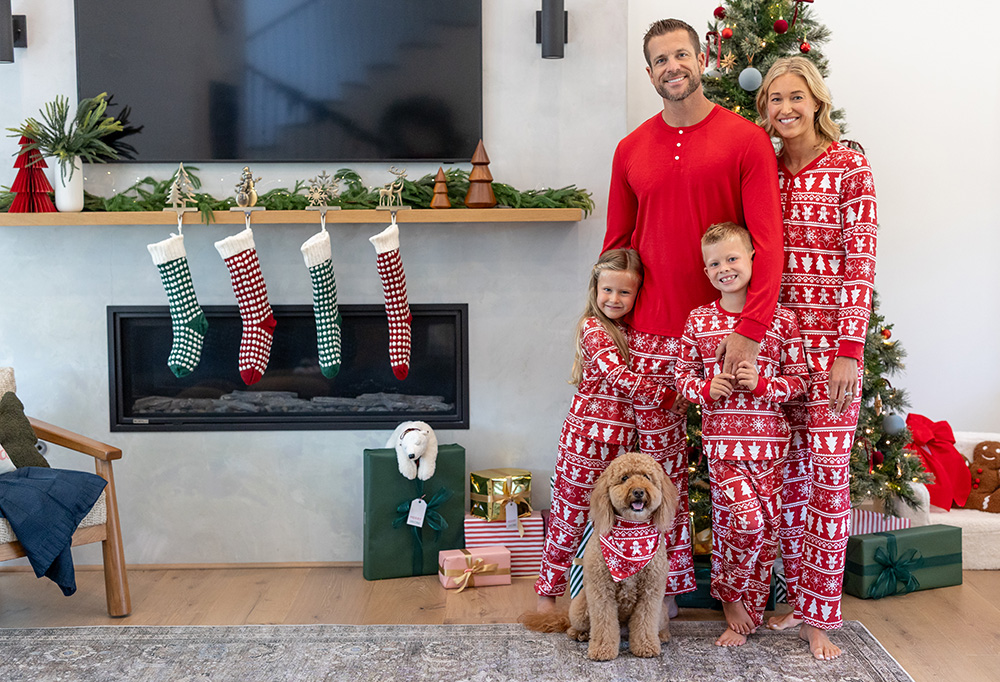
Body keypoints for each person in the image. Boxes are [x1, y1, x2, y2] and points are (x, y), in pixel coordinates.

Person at [604, 18, 784, 610]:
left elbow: (769, 242)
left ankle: (739, 595)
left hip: (724, 334)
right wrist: (605, 328)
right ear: (648, 71)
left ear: (701, 58)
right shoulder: (630, 149)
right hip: (652, 334)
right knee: (658, 476)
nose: (671, 67)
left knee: (739, 477)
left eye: (681, 54)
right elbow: (617, 246)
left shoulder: (745, 140)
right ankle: (666, 590)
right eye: (659, 59)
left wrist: (751, 331)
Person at [755, 56, 878, 661]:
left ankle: (820, 618)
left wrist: (849, 352)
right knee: (786, 485)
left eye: (796, 96)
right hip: (778, 347)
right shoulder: (766, 169)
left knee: (828, 485)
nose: (786, 108)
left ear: (817, 100)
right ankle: (795, 601)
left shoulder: (849, 162)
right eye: (775, 99)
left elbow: (862, 262)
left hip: (833, 351)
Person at [675, 222, 808, 647]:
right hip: (724, 447)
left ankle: (746, 615)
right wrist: (703, 388)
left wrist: (764, 383)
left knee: (765, 532)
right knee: (745, 523)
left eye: (732, 258)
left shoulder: (781, 319)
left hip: (771, 448)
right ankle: (730, 597)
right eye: (714, 263)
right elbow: (682, 378)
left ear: (753, 258)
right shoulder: (700, 320)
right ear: (706, 271)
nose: (724, 268)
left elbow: (800, 381)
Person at [535, 249, 674, 608]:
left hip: (623, 442)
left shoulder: (632, 330)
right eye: (607, 290)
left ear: (637, 294)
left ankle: (628, 597)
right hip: (586, 440)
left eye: (624, 293)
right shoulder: (592, 328)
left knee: (626, 517)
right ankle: (547, 593)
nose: (614, 299)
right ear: (595, 289)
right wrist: (666, 396)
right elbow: (617, 376)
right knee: (570, 513)